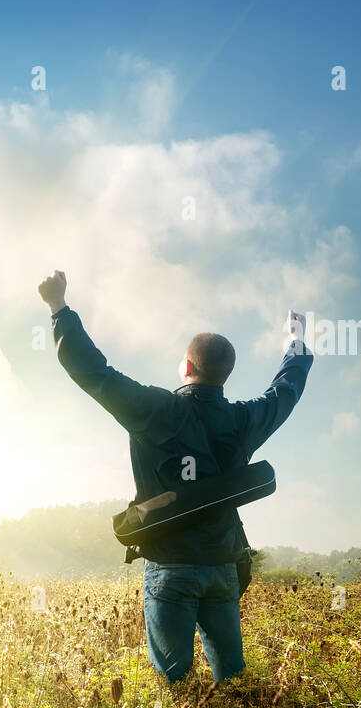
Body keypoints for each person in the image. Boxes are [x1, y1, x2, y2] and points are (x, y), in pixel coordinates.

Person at [38, 270, 312, 682]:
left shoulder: (153, 409)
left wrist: (58, 307)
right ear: (226, 374)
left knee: (174, 683)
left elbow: (92, 372)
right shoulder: (243, 420)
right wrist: (296, 342)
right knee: (233, 680)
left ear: (186, 366)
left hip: (170, 566)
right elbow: (285, 390)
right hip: (223, 564)